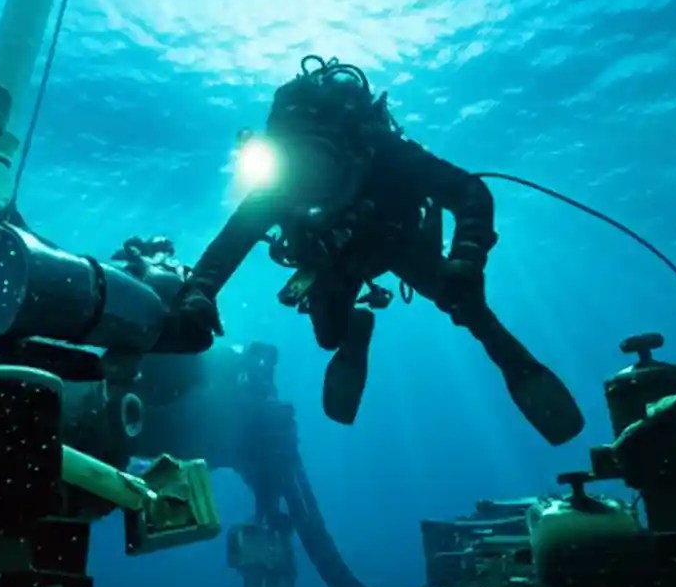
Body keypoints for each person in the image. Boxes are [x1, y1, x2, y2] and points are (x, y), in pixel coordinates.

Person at [156, 56, 584, 445]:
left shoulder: (389, 154)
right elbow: (228, 247)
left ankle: (515, 361)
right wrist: (198, 293)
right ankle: (357, 333)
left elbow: (471, 192)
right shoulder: (277, 188)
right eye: (293, 163)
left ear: (346, 148)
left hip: (396, 242)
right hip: (330, 259)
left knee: (467, 304)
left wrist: (467, 259)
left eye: (314, 162)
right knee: (329, 338)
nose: (305, 181)